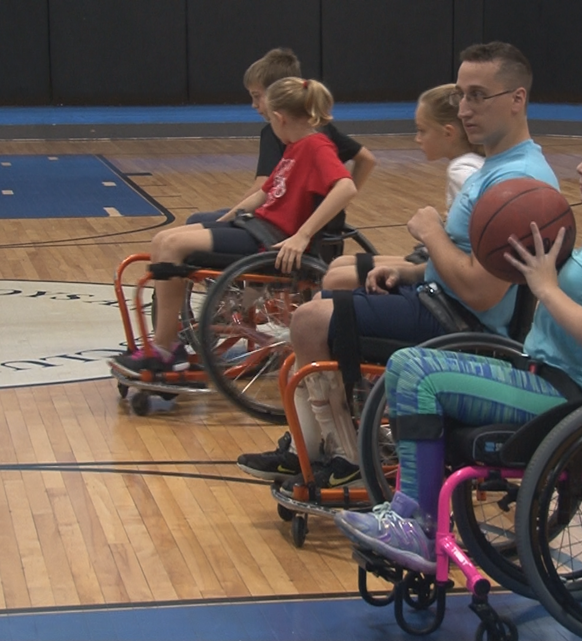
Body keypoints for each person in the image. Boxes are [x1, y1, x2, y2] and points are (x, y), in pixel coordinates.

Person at [332, 100, 582, 574]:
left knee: (419, 372)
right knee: (411, 365)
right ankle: (413, 515)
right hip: (544, 381)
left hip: (572, 401)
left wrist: (545, 288)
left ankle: (418, 523)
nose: (581, 166)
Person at [236, 42, 559, 493]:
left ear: (517, 99)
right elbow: (470, 263)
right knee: (323, 300)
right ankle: (309, 449)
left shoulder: (519, 182)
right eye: (462, 94)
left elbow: (483, 293)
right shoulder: (496, 168)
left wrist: (431, 234)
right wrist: (412, 271)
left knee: (310, 321)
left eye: (478, 96)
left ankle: (342, 456)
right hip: (438, 297)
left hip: (463, 320)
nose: (465, 108)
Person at [110, 77, 358, 375]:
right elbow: (265, 193)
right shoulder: (295, 146)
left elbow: (345, 187)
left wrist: (301, 235)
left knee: (172, 246)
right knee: (163, 239)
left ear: (279, 118)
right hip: (255, 227)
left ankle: (166, 348)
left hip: (270, 239)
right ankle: (166, 343)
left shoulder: (316, 146)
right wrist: (224, 220)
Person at [187, 48, 375, 227]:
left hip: (280, 221)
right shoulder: (318, 126)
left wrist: (230, 218)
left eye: (256, 96)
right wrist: (335, 208)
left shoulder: (280, 134)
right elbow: (367, 160)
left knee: (197, 221)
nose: (254, 105)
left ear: (277, 93)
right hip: (300, 217)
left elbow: (261, 188)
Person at [321, 83, 484, 291]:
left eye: (421, 131)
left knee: (335, 280)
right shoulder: (470, 164)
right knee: (338, 264)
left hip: (446, 268)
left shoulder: (462, 171)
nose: (417, 139)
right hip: (435, 257)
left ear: (448, 133)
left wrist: (435, 232)